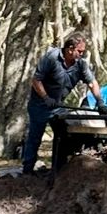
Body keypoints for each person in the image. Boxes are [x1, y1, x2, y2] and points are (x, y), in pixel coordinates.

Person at [21, 29, 91, 173]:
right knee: (35, 138)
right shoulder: (51, 58)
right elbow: (36, 80)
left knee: (63, 136)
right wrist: (46, 98)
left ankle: (57, 168)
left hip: (58, 107)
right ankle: (27, 170)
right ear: (70, 49)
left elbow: (92, 83)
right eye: (80, 51)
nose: (82, 54)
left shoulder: (80, 64)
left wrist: (100, 102)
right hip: (39, 106)